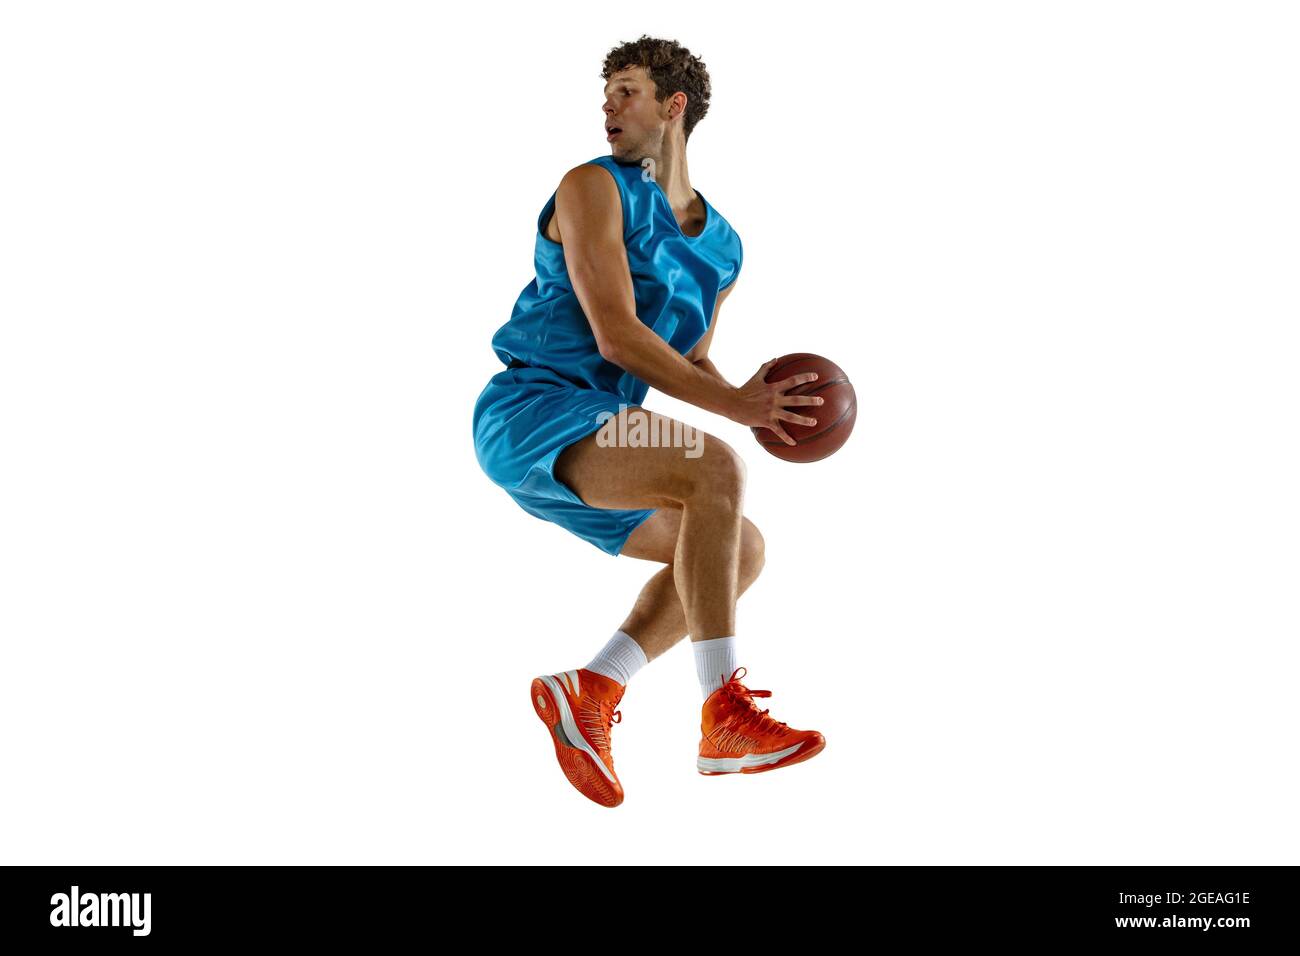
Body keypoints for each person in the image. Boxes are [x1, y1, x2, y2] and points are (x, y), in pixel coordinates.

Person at [472, 36, 826, 807]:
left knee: (742, 550)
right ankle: (722, 714)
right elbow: (617, 336)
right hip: (534, 409)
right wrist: (735, 414)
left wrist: (757, 400)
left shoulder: (724, 247)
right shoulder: (591, 186)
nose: (608, 106)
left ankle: (592, 689)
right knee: (718, 469)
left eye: (625, 90)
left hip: (605, 426)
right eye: (605, 93)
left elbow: (690, 360)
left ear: (674, 108)